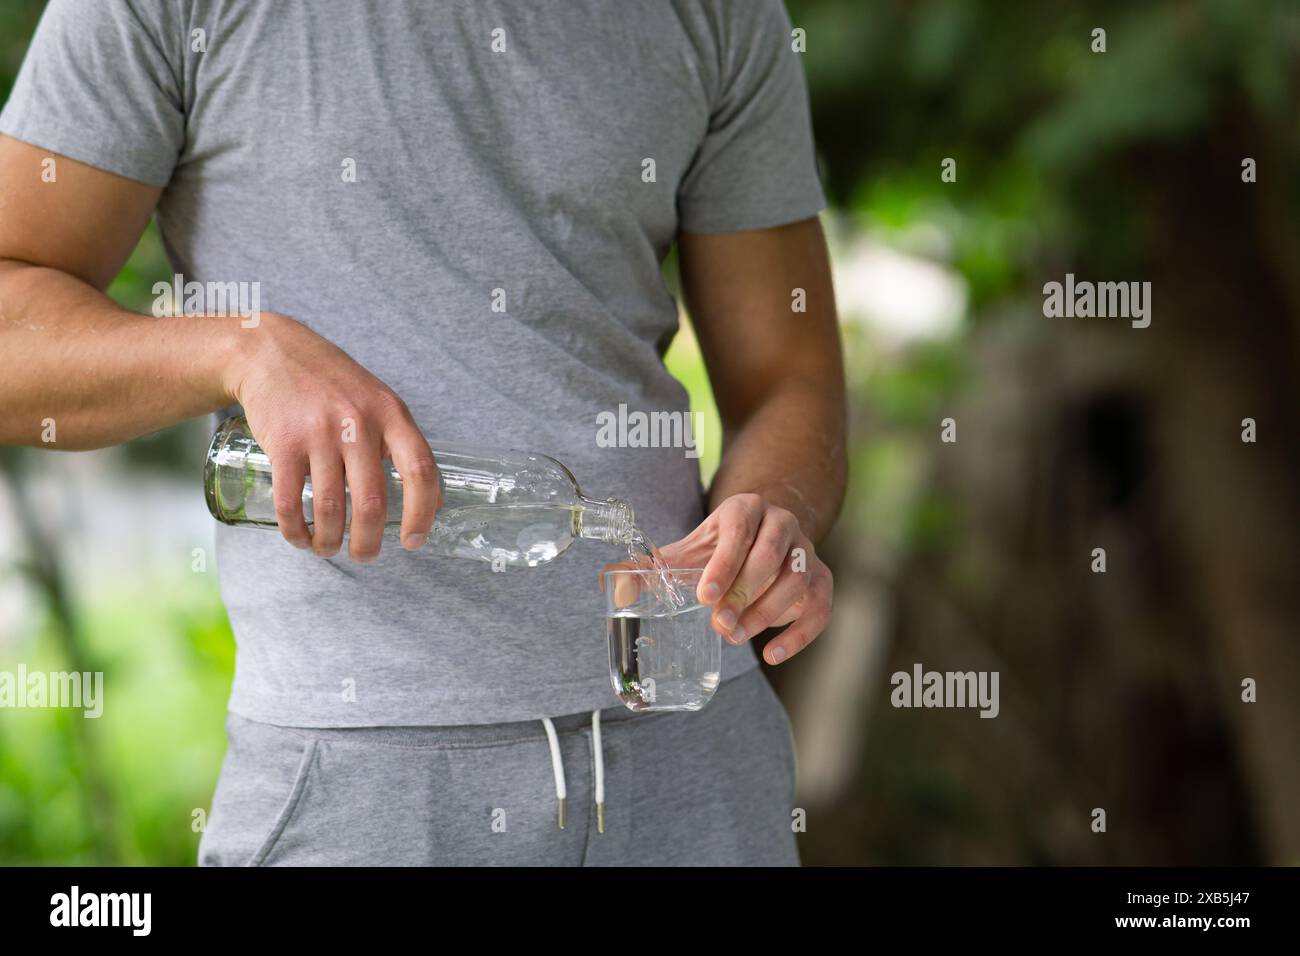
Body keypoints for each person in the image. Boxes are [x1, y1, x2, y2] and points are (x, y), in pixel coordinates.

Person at [0, 0, 845, 866]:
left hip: (700, 766)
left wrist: (772, 510)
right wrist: (241, 350)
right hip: (363, 786)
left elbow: (792, 379)